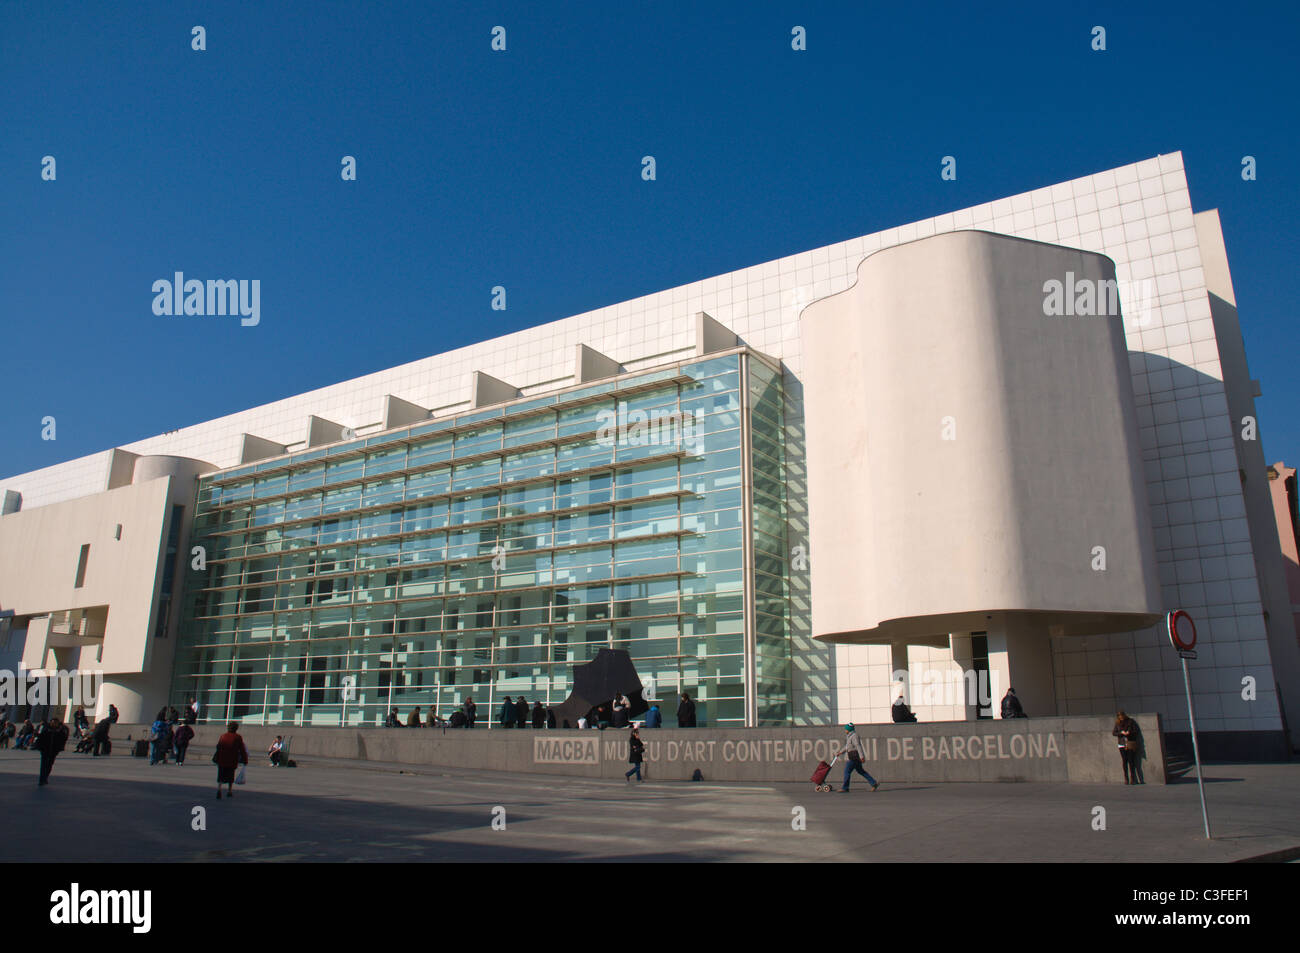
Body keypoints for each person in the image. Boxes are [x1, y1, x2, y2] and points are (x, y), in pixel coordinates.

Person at [835, 723, 879, 793]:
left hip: (853, 757)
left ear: (849, 729)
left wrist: (862, 757)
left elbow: (858, 746)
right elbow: (847, 746)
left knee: (847, 772)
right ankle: (874, 783)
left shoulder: (854, 736)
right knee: (861, 771)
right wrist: (840, 752)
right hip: (855, 757)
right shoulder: (849, 736)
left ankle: (845, 788)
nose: (845, 730)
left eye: (846, 729)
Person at [213, 721, 249, 800]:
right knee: (230, 775)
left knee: (221, 775)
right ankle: (229, 791)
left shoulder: (223, 736)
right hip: (232, 759)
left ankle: (219, 789)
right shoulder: (238, 737)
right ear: (236, 728)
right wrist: (245, 759)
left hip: (222, 759)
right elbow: (242, 749)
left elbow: (218, 746)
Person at [35, 716, 69, 786]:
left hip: (54, 750)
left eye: (55, 723)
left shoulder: (60, 731)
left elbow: (64, 739)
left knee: (49, 765)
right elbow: (40, 737)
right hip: (44, 749)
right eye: (53, 722)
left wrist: (60, 748)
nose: (54, 724)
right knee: (43, 765)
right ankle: (42, 779)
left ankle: (45, 777)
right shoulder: (46, 729)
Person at [1113, 711, 1144, 784]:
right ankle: (1126, 778)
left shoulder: (1130, 721)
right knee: (1124, 760)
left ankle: (1133, 778)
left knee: (1131, 760)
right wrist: (1121, 733)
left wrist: (1129, 733)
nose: (1121, 718)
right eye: (1119, 717)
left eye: (1122, 716)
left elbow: (1136, 731)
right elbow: (1114, 732)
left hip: (1130, 742)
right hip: (1121, 743)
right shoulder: (1117, 723)